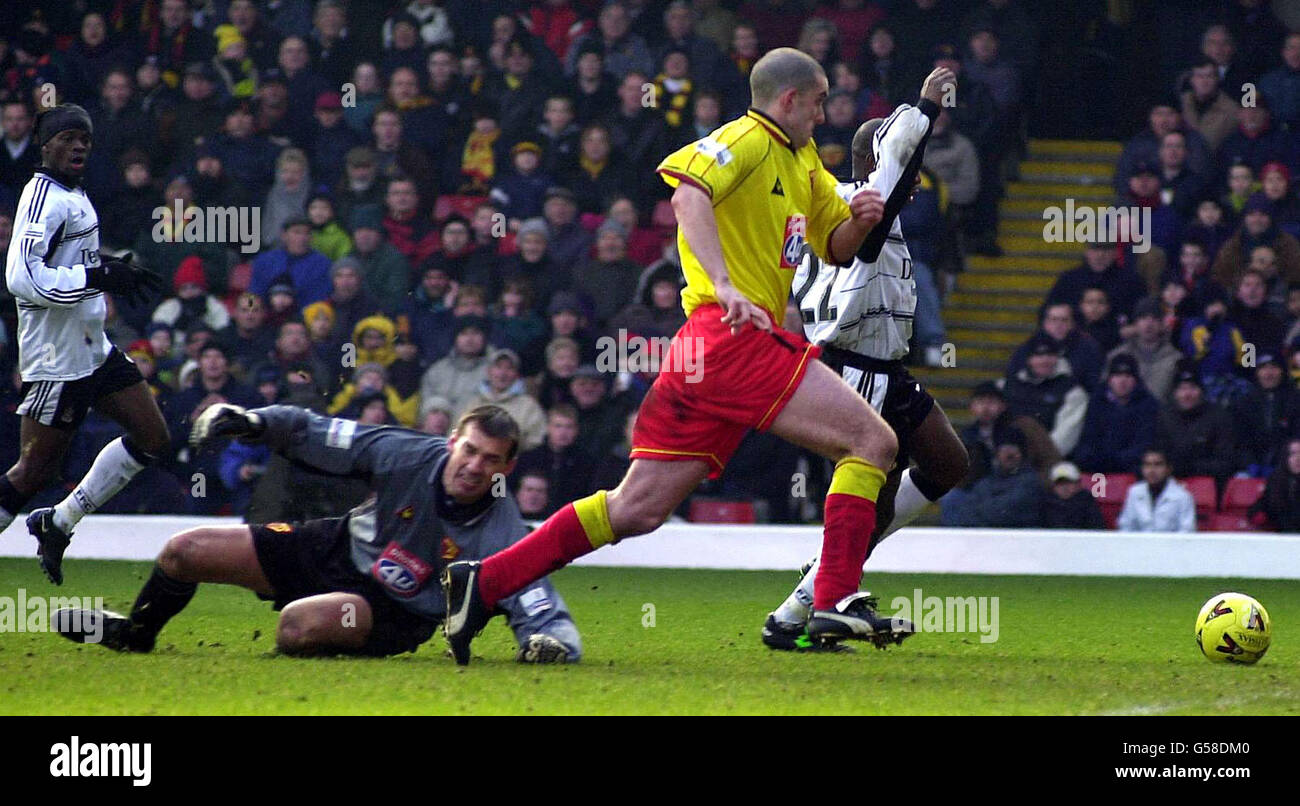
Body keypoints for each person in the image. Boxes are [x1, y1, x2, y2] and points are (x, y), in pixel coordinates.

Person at [441, 47, 901, 665]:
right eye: (819, 102)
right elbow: (688, 196)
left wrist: (867, 216)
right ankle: (834, 599)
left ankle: (485, 581)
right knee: (872, 443)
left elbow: (839, 247)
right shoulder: (747, 139)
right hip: (732, 336)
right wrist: (727, 282)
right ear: (789, 99)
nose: (824, 115)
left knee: (636, 509)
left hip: (706, 354)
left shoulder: (803, 160)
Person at [55, 404, 581, 663]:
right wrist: (253, 422)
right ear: (452, 442)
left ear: (505, 469)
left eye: (489, 459)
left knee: (297, 627)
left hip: (394, 610)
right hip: (336, 544)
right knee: (182, 551)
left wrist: (551, 642)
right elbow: (322, 431)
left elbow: (532, 594)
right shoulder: (407, 453)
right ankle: (136, 635)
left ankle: (331, 636)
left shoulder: (502, 525)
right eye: (468, 450)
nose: (473, 465)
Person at [764, 67, 971, 651]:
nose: (914, 186)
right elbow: (897, 153)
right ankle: (813, 604)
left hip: (882, 367)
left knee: (949, 464)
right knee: (871, 494)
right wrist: (927, 106)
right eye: (908, 177)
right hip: (854, 366)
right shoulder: (858, 207)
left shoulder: (853, 212)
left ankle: (811, 595)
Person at [2, 103, 169, 585]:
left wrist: (111, 266)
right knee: (31, 474)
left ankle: (58, 522)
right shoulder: (43, 197)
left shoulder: (73, 193)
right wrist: (97, 274)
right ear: (45, 144)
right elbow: (22, 277)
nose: (78, 146)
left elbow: (71, 259)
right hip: (57, 357)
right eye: (68, 137)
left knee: (154, 438)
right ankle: (47, 517)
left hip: (92, 347)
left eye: (85, 139)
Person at [1116, 448, 1196, 533]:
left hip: (1171, 545)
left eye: (1158, 465)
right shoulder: (1134, 492)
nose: (1152, 470)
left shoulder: (1183, 496)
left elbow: (1187, 531)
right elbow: (1126, 526)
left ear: (1169, 469)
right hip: (1139, 544)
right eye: (1147, 465)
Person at [1041, 462, 1103, 529]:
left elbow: (1096, 529)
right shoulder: (1044, 503)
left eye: (1069, 483)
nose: (1064, 487)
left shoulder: (1087, 502)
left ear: (1078, 484)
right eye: (1060, 483)